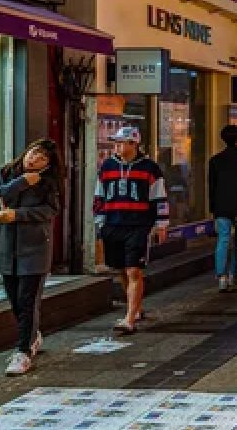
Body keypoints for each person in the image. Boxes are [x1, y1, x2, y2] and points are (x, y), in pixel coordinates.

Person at [0, 139, 61, 376]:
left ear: (48, 164)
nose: (34, 159)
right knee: (15, 299)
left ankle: (23, 352)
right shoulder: (4, 173)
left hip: (35, 248)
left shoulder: (48, 182)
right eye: (34, 153)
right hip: (6, 247)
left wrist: (18, 215)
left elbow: (51, 210)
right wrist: (21, 182)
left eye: (42, 158)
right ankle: (32, 335)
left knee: (27, 301)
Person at [94, 127, 169, 335]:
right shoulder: (107, 166)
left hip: (138, 225)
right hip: (112, 223)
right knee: (120, 268)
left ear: (134, 144)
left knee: (133, 270)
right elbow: (99, 195)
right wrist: (99, 221)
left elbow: (159, 196)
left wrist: (161, 223)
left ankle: (129, 318)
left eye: (121, 143)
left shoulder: (150, 168)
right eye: (116, 143)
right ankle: (135, 307)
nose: (117, 147)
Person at [209, 125, 237, 292]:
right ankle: (235, 273)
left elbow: (212, 187)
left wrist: (213, 207)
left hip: (221, 206)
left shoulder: (215, 160)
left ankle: (221, 276)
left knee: (223, 239)